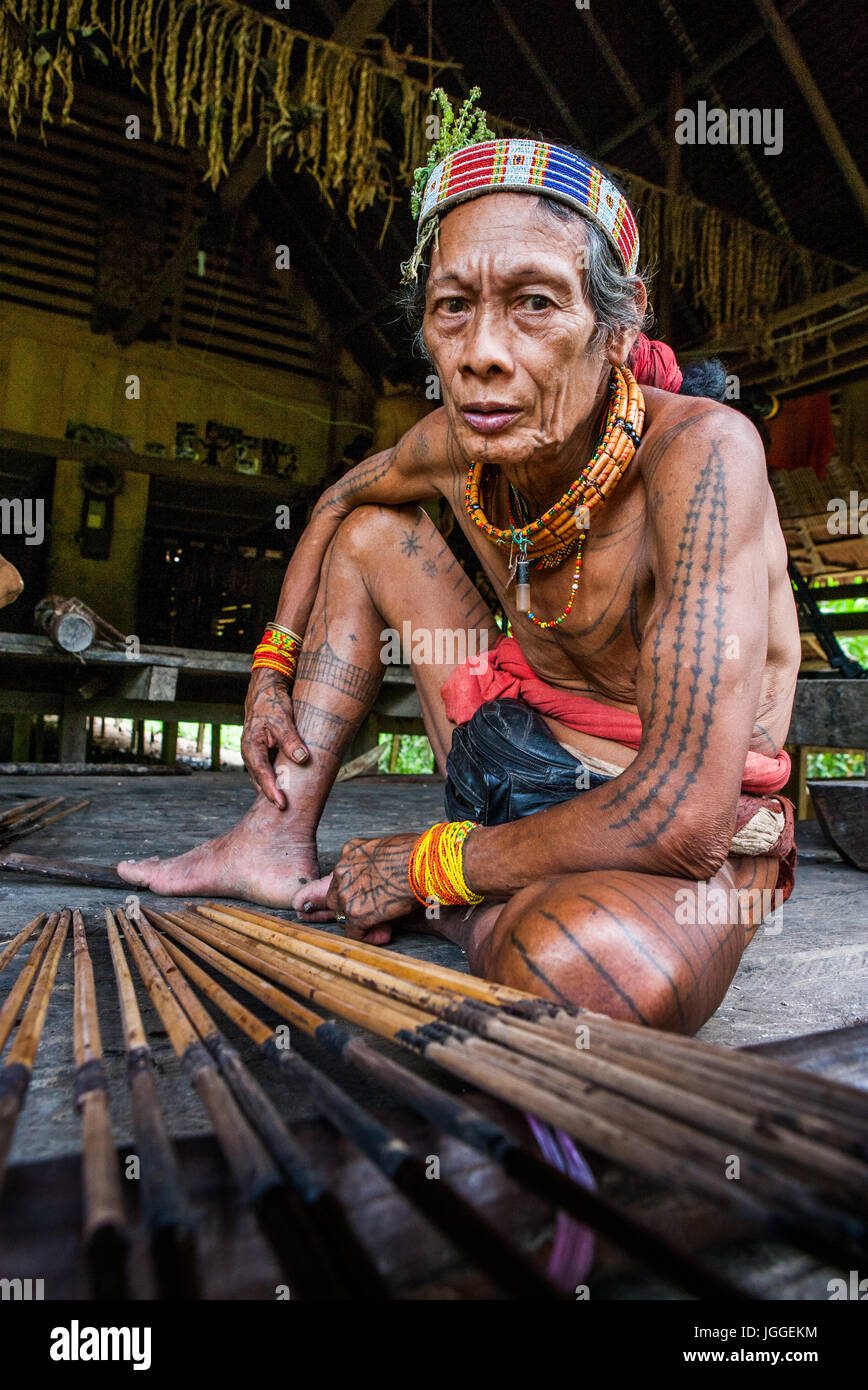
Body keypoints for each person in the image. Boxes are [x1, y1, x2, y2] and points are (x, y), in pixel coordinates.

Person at [119, 104, 800, 1034]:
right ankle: (276, 837)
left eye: (536, 303)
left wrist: (428, 867)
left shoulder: (706, 457)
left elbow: (684, 819)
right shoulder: (452, 442)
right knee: (372, 530)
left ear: (615, 325)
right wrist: (270, 669)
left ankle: (474, 902)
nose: (482, 353)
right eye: (453, 308)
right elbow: (334, 506)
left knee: (592, 976)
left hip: (658, 827)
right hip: (498, 752)